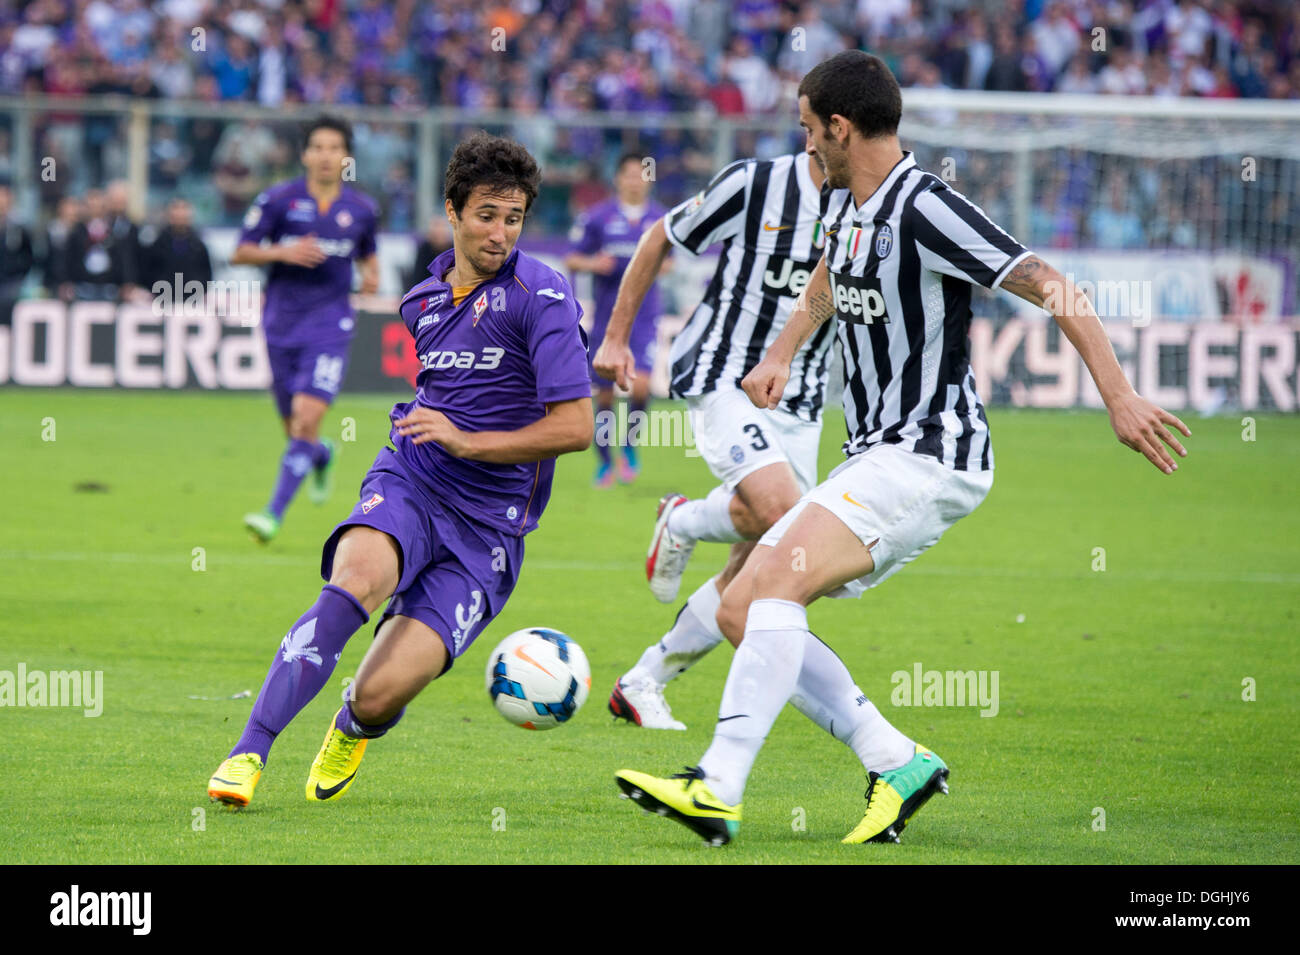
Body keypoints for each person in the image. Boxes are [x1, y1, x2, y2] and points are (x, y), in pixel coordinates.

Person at [615, 51, 1191, 847]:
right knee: (746, 607)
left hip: (929, 454)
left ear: (840, 128)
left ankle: (716, 785)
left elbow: (1052, 283)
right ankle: (896, 760)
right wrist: (781, 352)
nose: (804, 144)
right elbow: (830, 275)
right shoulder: (846, 202)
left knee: (772, 582)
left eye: (809, 129)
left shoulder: (925, 207)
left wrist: (1118, 394)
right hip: (874, 454)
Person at [207, 131, 594, 809]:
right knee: (353, 582)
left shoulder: (543, 295)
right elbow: (446, 393)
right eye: (486, 215)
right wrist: (443, 436)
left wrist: (469, 442)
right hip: (411, 480)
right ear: (452, 210)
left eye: (513, 219)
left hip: (490, 528)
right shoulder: (422, 301)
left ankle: (353, 724)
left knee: (380, 694)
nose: (500, 233)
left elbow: (576, 428)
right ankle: (247, 752)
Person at [593, 149, 833, 730]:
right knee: (779, 512)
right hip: (724, 371)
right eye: (806, 127)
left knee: (754, 579)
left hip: (801, 400)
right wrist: (617, 338)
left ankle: (643, 680)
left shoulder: (877, 203)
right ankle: (684, 521)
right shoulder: (755, 184)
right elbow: (660, 235)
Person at [231, 115, 380, 543]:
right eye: (318, 147)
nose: (326, 156)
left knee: (306, 418)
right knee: (296, 431)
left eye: (334, 148)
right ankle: (321, 454)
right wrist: (283, 252)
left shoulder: (362, 209)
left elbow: (369, 257)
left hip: (331, 326)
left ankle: (271, 515)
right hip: (281, 324)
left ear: (347, 157)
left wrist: (371, 276)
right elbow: (240, 252)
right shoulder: (278, 200)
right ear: (305, 154)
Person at [564, 152, 668, 486]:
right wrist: (595, 264)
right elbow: (573, 259)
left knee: (642, 385)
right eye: (629, 175)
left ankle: (630, 446)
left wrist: (653, 265)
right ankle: (606, 462)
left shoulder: (660, 218)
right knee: (605, 394)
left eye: (641, 175)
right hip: (608, 319)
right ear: (618, 179)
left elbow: (670, 263)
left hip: (644, 316)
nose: (635, 181)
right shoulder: (598, 217)